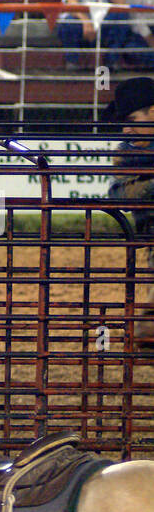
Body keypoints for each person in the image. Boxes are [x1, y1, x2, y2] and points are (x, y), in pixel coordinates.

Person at [104, 76, 154, 349]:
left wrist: (144, 185)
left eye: (132, 120)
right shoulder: (126, 152)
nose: (126, 130)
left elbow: (123, 192)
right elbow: (118, 195)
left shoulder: (127, 153)